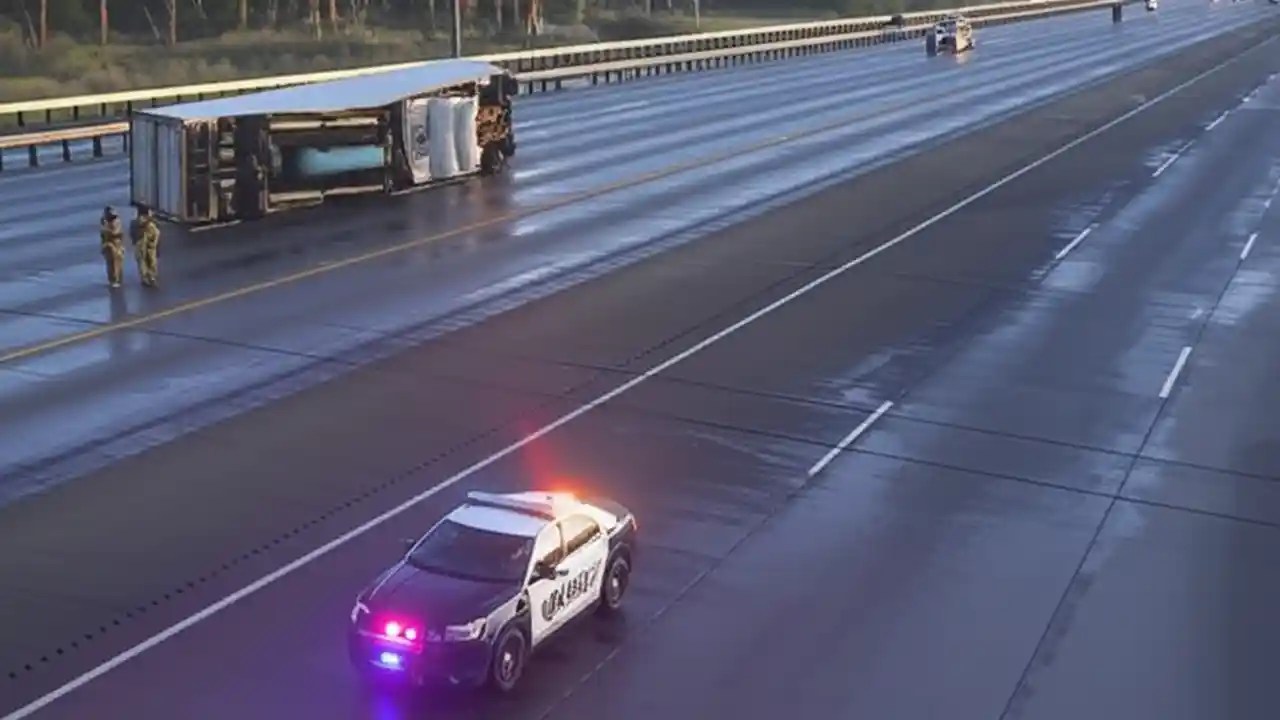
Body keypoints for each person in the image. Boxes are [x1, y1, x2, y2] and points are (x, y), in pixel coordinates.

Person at [130, 205, 161, 287]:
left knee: (143, 262)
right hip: (147, 246)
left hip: (143, 246)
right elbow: (156, 234)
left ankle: (146, 278)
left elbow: (132, 235)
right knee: (149, 261)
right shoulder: (151, 223)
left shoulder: (134, 223)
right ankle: (150, 277)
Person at [99, 206, 124, 288]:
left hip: (117, 245)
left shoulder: (117, 222)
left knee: (118, 263)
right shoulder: (104, 223)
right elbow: (105, 234)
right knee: (111, 264)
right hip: (109, 246)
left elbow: (117, 232)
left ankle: (118, 279)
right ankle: (113, 280)